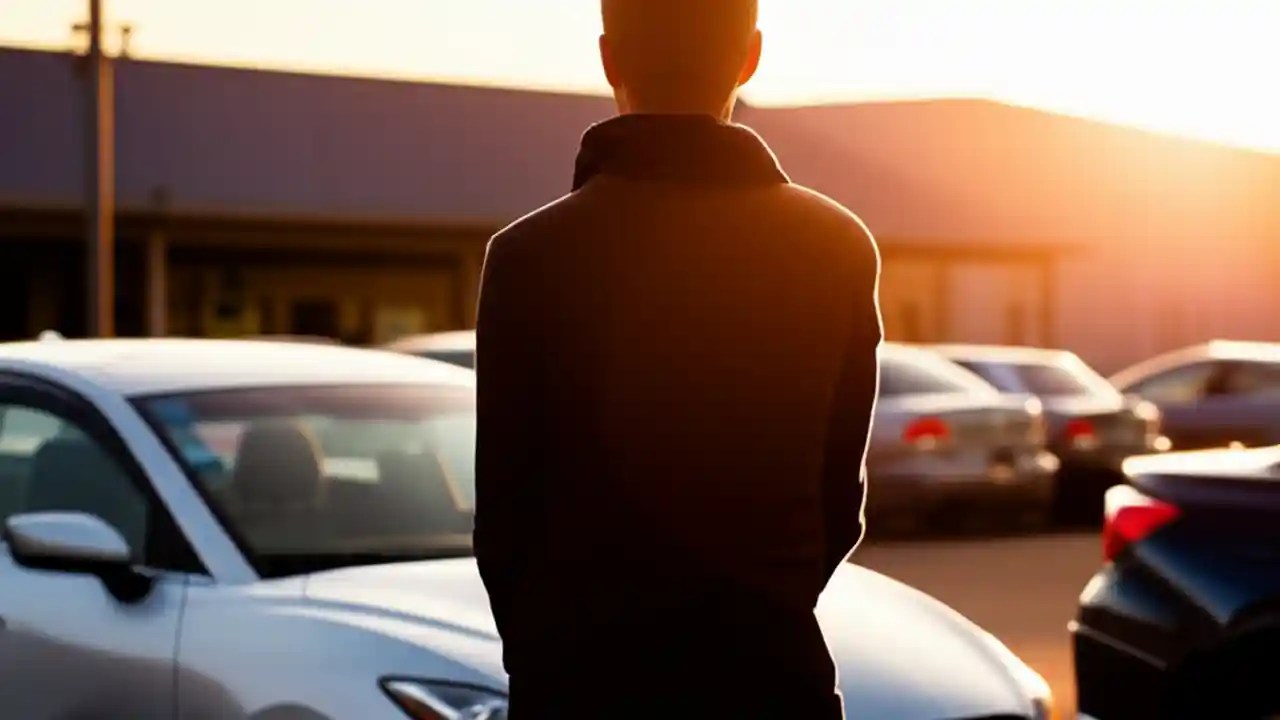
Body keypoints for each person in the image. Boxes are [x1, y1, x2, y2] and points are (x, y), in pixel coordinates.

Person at [474, 1, 882, 717]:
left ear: (608, 59)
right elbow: (836, 507)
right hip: (770, 682)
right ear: (750, 56)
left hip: (584, 689)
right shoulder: (836, 247)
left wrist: (556, 660)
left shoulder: (529, 258)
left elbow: (506, 522)